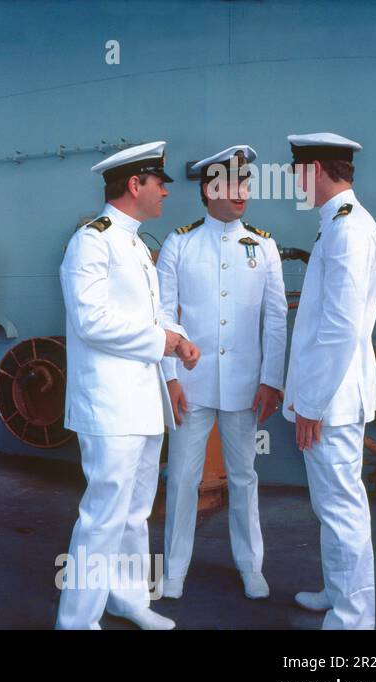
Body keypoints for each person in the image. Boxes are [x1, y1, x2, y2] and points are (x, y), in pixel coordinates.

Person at [55, 141, 199, 630]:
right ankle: (76, 620)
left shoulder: (137, 243)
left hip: (142, 401)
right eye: (159, 184)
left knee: (136, 512)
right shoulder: (91, 241)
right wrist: (165, 340)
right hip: (108, 404)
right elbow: (92, 320)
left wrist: (176, 346)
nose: (164, 193)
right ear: (135, 185)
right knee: (102, 516)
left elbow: (151, 314)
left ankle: (129, 599)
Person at [156, 145, 286, 600]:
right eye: (231, 184)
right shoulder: (180, 242)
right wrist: (169, 376)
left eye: (245, 183)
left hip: (245, 384)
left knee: (244, 476)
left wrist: (271, 379)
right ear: (208, 190)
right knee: (182, 478)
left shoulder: (263, 244)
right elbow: (163, 315)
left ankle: (252, 565)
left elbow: (275, 317)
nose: (242, 192)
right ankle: (173, 570)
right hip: (190, 384)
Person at [283, 132, 376, 630]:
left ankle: (352, 619)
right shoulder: (341, 222)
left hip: (332, 399)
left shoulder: (345, 229)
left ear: (315, 170)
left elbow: (340, 328)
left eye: (297, 170)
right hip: (334, 395)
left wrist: (312, 403)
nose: (294, 181)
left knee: (341, 507)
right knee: (331, 503)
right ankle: (337, 591)